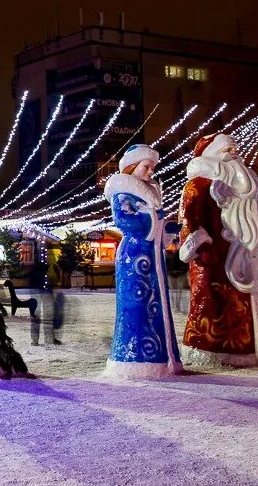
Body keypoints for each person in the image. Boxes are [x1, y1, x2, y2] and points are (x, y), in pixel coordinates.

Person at [179, 133, 258, 366]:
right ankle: (212, 351)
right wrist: (199, 245)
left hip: (250, 257)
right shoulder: (199, 184)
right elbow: (189, 219)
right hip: (215, 263)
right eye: (227, 150)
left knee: (253, 303)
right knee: (216, 307)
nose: (234, 153)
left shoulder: (249, 186)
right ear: (212, 154)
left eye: (235, 148)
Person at [103, 144, 182, 377]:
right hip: (134, 256)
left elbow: (156, 225)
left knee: (155, 303)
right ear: (132, 167)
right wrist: (154, 221)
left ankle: (160, 355)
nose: (150, 172)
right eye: (146, 166)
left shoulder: (150, 193)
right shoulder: (124, 193)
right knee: (136, 305)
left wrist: (168, 227)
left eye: (152, 168)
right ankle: (134, 355)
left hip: (152, 254)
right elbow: (126, 221)